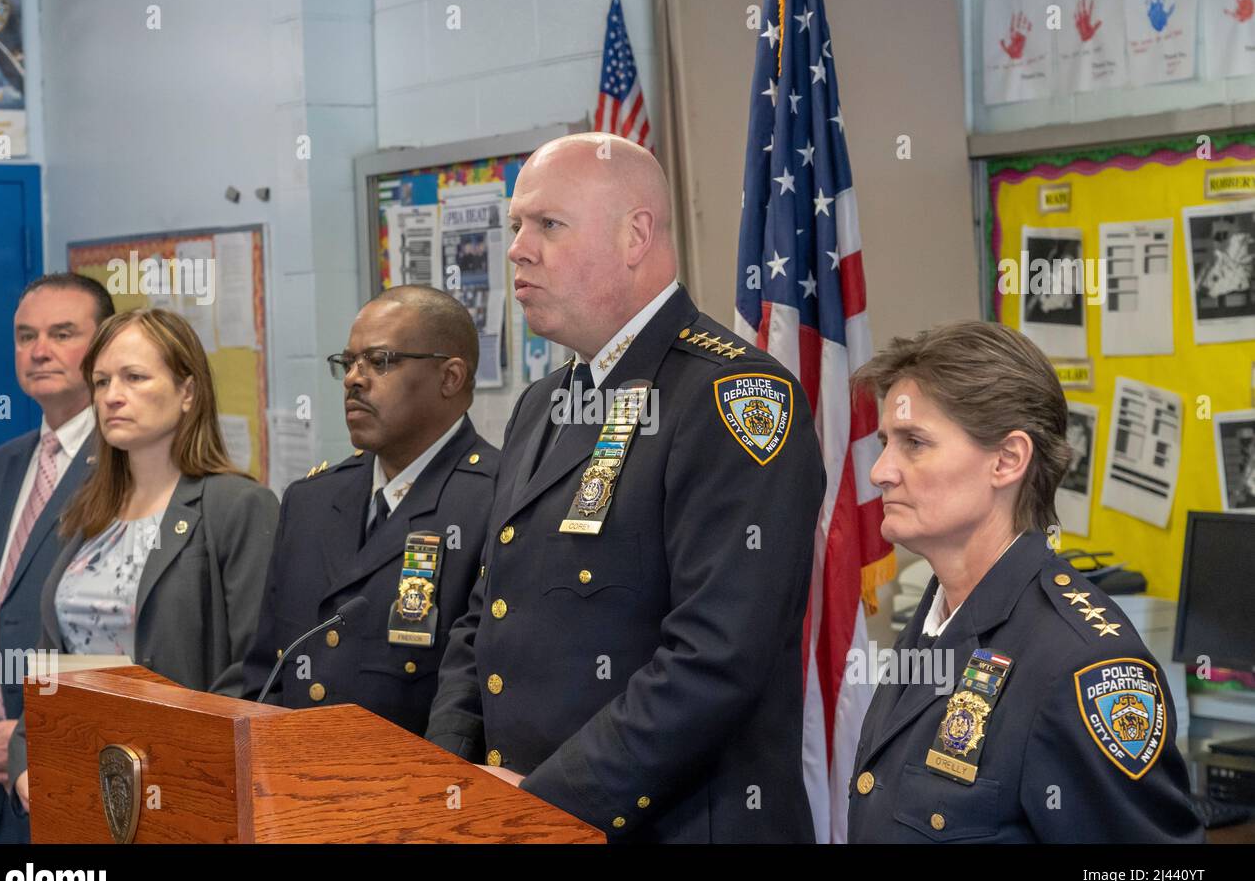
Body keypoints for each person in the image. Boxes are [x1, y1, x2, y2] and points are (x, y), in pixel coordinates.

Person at [424, 133, 825, 843]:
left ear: (636, 235)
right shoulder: (543, 403)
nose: (518, 247)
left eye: (548, 225)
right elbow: (485, 613)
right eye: (517, 225)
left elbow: (714, 658)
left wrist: (545, 805)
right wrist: (451, 776)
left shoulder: (734, 398)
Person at [846, 321, 1202, 843]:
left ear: (1007, 459)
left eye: (914, 443)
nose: (880, 471)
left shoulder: (1080, 664)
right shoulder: (937, 615)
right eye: (885, 443)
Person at [7, 307, 279, 812]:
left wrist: (174, 764)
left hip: (189, 791)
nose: (112, 396)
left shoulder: (235, 506)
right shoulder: (87, 513)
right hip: (81, 783)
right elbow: (51, 660)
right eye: (102, 381)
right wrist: (24, 758)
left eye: (134, 377)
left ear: (187, 392)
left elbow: (259, 669)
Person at [242, 286, 498, 734]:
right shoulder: (311, 501)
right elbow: (267, 676)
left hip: (419, 789)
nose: (353, 379)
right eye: (348, 363)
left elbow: (481, 697)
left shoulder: (498, 499)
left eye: (380, 361)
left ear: (450, 377)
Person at [0, 273, 112, 843]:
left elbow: (119, 638)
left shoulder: (128, 465)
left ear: (105, 347)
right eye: (25, 336)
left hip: (77, 780)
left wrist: (29, 738)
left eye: (62, 333)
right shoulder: (2, 463)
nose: (38, 350)